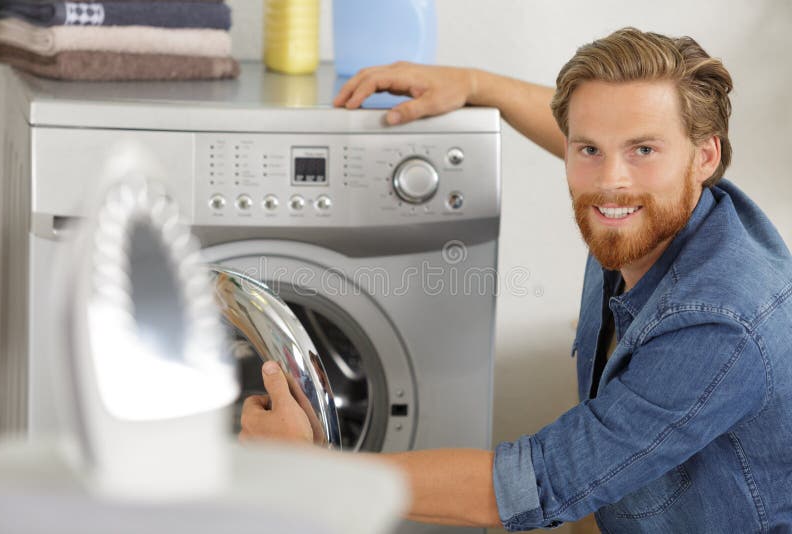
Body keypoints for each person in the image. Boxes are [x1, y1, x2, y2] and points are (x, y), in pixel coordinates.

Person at [239, 27, 792, 532]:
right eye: (588, 151)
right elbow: (603, 143)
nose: (611, 182)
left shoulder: (718, 322)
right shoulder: (654, 215)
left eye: (643, 150)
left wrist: (312, 471)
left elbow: (542, 481)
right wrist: (478, 85)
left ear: (704, 156)